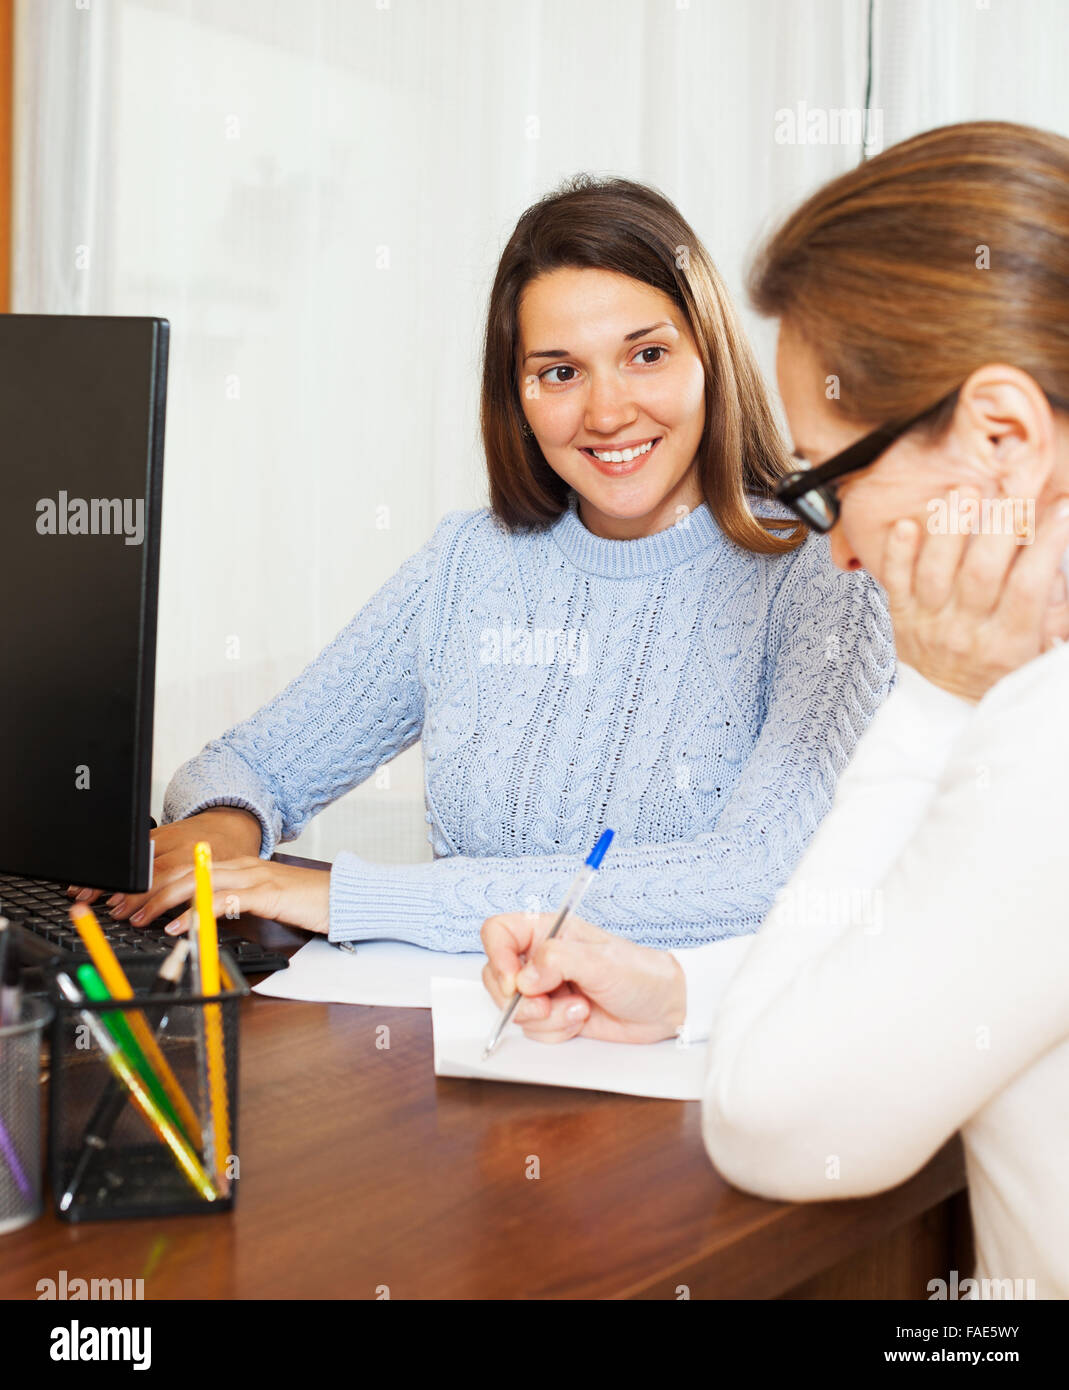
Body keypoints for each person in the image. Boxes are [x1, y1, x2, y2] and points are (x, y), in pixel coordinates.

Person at [478, 122, 1069, 1298]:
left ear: (1001, 439)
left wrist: (931, 699)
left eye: (832, 479)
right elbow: (984, 948)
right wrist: (689, 990)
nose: (835, 547)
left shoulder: (1039, 732)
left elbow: (768, 1120)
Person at [68, 176, 893, 949]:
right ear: (518, 398)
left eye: (647, 354)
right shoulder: (471, 565)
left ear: (709, 356)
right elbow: (246, 764)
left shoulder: (826, 566)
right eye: (559, 372)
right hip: (463, 1041)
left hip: (672, 1070)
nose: (608, 411)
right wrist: (223, 830)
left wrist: (349, 898)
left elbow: (755, 873)